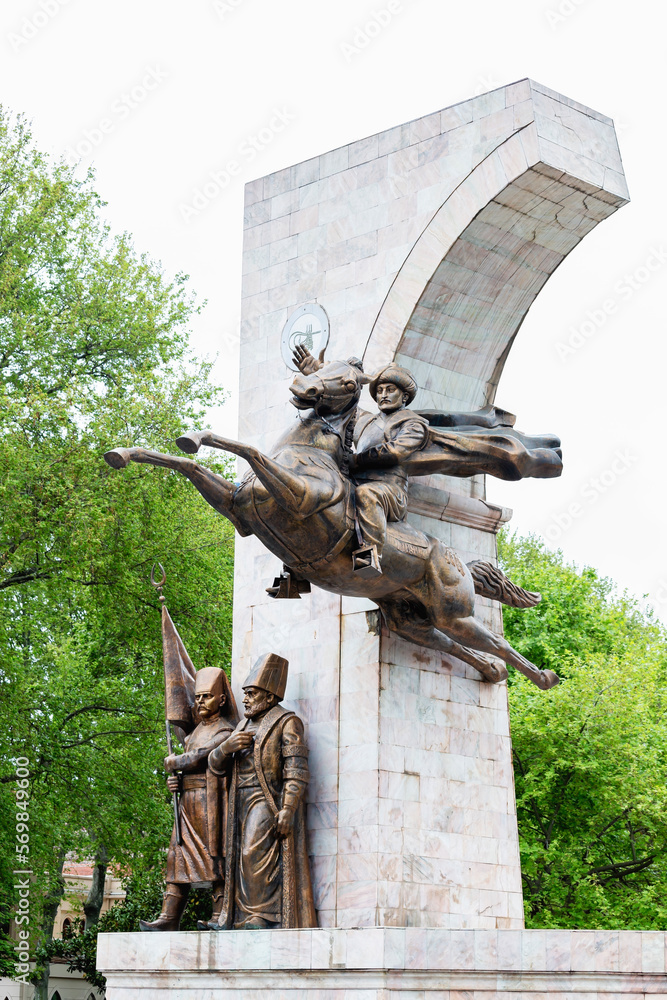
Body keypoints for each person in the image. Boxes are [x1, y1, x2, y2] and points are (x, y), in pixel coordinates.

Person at [207, 653, 316, 930]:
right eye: (245, 693)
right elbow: (215, 766)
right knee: (237, 856)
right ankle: (234, 916)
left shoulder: (287, 722)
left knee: (252, 852)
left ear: (269, 696)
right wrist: (226, 748)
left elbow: (296, 769)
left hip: (266, 798)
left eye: (251, 693)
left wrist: (288, 808)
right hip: (238, 799)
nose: (245, 699)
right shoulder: (241, 726)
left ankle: (262, 915)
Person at [140, 667, 236, 932]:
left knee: (214, 858)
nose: (201, 702)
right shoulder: (193, 734)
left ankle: (219, 915)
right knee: (176, 857)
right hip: (187, 804)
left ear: (222, 699)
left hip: (211, 803)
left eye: (207, 696)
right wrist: (177, 782)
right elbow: (189, 765)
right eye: (198, 697)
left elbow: (202, 756)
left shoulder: (226, 731)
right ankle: (169, 917)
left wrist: (175, 762)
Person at [350, 363, 429, 575]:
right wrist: (316, 371)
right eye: (379, 390)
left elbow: (395, 451)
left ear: (404, 396)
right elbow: (341, 402)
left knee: (367, 494)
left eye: (390, 390)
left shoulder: (414, 424)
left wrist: (357, 460)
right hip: (354, 481)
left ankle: (371, 555)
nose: (383, 395)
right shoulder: (365, 421)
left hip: (390, 491)